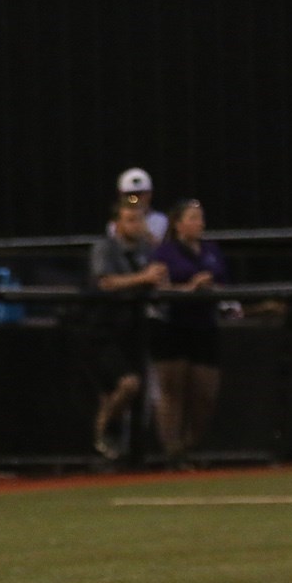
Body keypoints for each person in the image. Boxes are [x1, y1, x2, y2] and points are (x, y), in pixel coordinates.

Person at [149, 199, 228, 467]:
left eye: (201, 218)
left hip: (204, 326)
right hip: (173, 326)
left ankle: (190, 446)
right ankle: (172, 453)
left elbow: (224, 284)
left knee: (205, 393)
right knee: (173, 391)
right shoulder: (165, 253)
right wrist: (189, 288)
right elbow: (158, 289)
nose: (199, 223)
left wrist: (210, 287)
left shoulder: (211, 250)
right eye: (193, 218)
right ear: (178, 224)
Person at [86, 201, 167, 460]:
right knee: (127, 384)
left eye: (140, 219)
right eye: (130, 220)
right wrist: (143, 278)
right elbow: (105, 282)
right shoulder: (105, 248)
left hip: (135, 329)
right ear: (117, 224)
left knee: (132, 391)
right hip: (105, 330)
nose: (137, 225)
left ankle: (118, 451)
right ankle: (104, 431)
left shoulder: (146, 250)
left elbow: (159, 281)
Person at [107, 168, 169, 245]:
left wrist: (145, 232)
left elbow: (161, 248)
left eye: (140, 194)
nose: (135, 199)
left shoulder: (161, 220)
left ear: (149, 194)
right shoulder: (115, 224)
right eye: (130, 195)